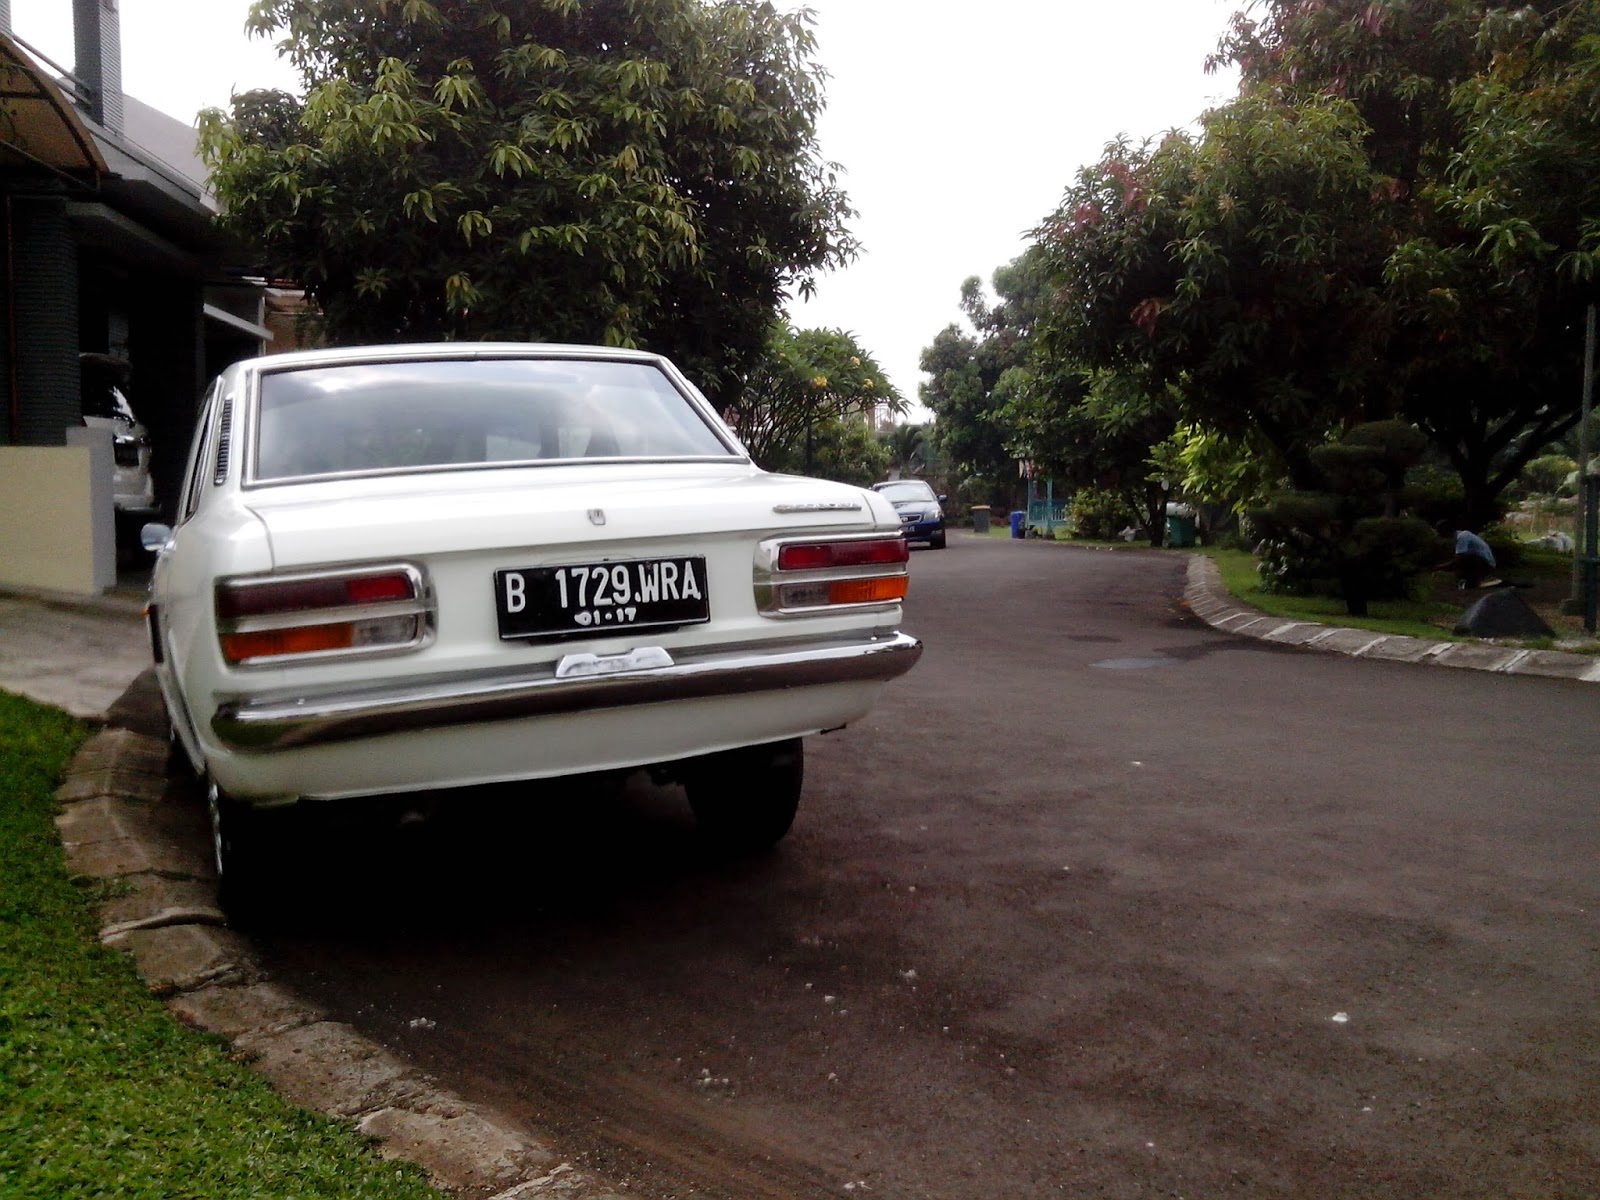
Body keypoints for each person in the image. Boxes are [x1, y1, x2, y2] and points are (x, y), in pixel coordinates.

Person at [1436, 523, 1498, 588]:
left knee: (1464, 559)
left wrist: (1441, 567)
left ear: (1446, 531)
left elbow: (1459, 559)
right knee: (1461, 565)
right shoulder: (1462, 535)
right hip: (1484, 562)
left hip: (1486, 564)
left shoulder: (1462, 537)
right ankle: (1473, 579)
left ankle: (1476, 579)